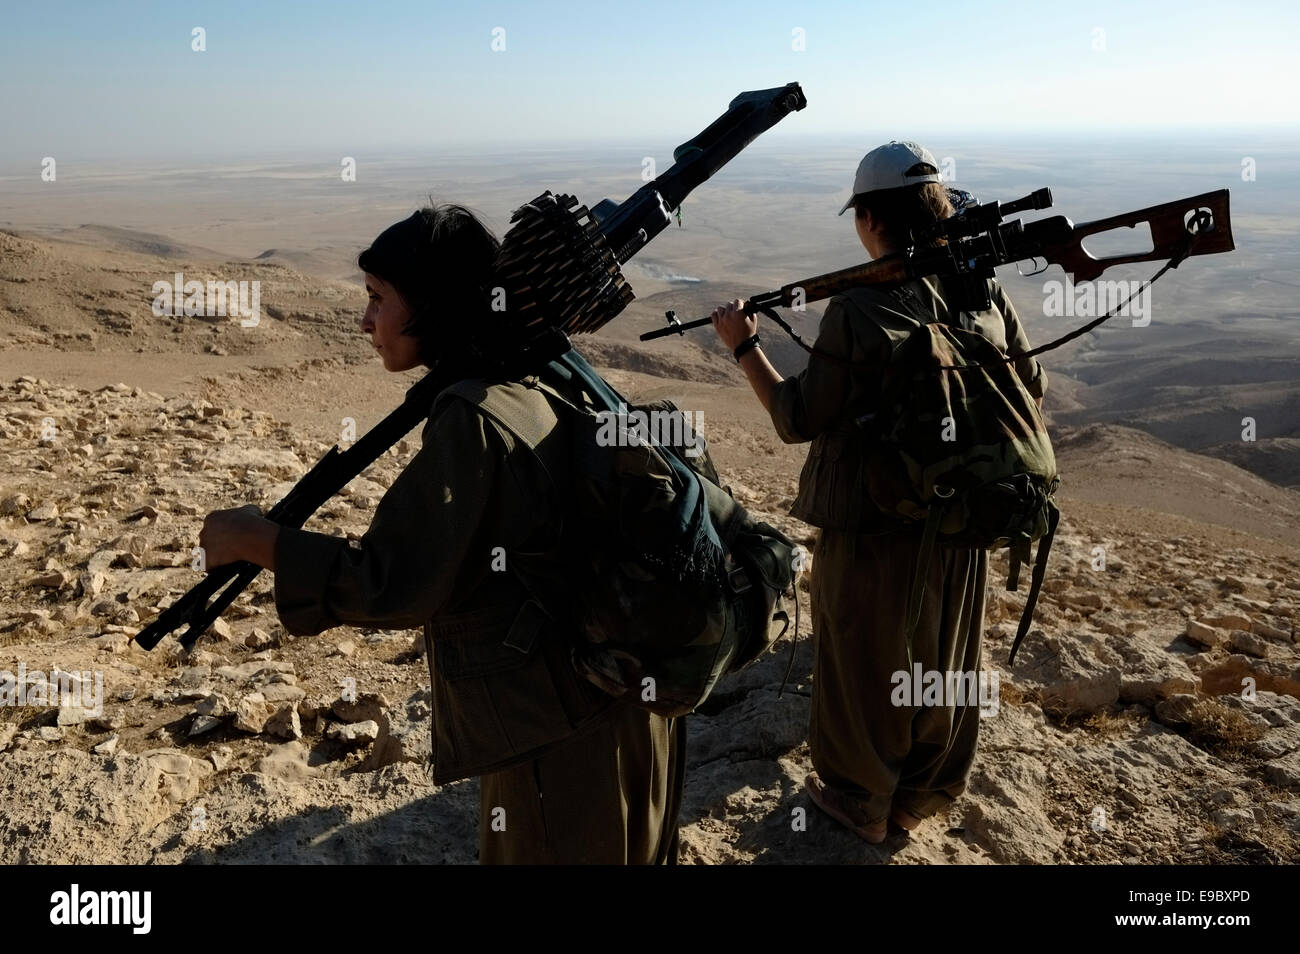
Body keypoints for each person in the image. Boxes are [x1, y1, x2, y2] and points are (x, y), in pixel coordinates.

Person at [199, 204, 686, 864]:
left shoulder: (475, 414)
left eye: (378, 298)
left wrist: (255, 541)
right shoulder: (540, 365)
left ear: (430, 304)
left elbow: (396, 582)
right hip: (628, 709)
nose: (365, 320)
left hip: (559, 738)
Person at [710, 142, 1048, 845]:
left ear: (869, 219)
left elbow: (797, 417)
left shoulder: (862, 308)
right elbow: (1031, 387)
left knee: (866, 662)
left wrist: (744, 345)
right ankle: (918, 799)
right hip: (964, 518)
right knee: (945, 662)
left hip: (877, 524)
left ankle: (860, 801)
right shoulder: (982, 288)